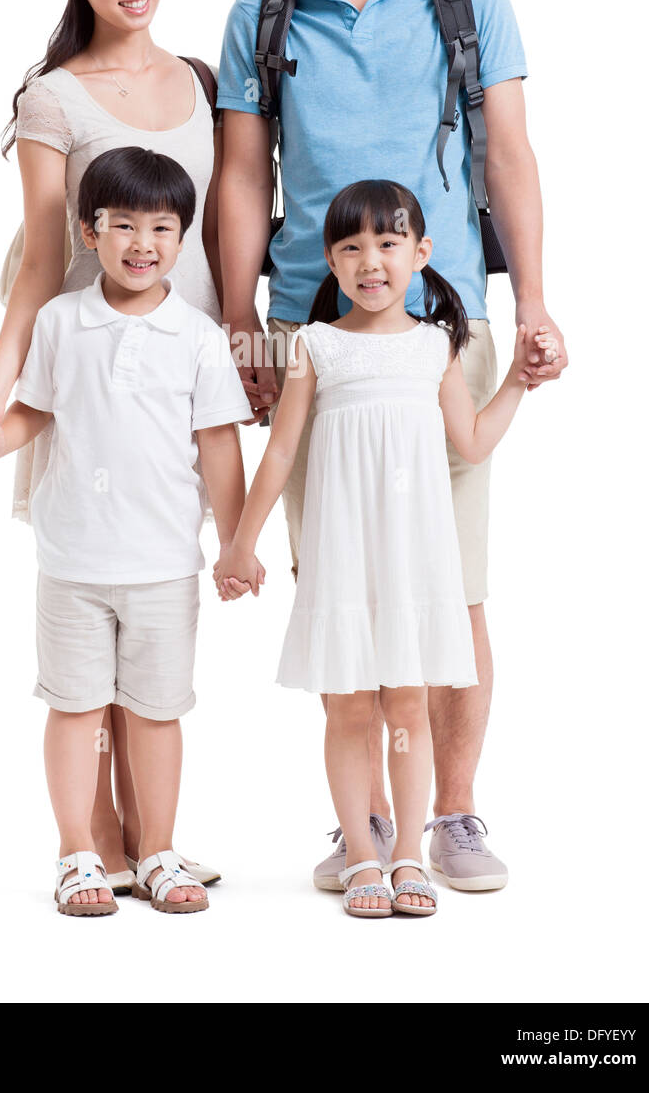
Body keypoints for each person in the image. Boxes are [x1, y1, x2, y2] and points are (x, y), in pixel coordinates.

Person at [216, 0, 568, 891]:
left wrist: (537, 299)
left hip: (443, 327)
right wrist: (242, 323)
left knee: (448, 588)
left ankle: (450, 816)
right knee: (340, 587)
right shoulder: (260, 10)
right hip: (308, 335)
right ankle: (361, 824)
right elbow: (237, 175)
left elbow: (507, 154)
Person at [0, 0, 235, 890]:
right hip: (84, 367)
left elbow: (232, 219)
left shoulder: (202, 80)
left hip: (182, 366)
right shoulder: (51, 94)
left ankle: (140, 840)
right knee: (91, 600)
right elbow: (38, 258)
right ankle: (98, 844)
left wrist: (242, 337)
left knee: (155, 589)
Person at [215, 180, 549, 915]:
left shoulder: (436, 347)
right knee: (348, 708)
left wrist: (519, 383)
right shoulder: (316, 346)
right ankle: (361, 853)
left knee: (407, 704)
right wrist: (240, 544)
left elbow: (473, 441)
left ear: (423, 254)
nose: (372, 261)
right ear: (329, 265)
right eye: (351, 248)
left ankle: (408, 855)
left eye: (389, 243)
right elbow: (278, 456)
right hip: (343, 556)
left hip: (413, 558)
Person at [0, 147, 256, 914]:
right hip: (73, 560)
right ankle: (79, 854)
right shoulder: (60, 321)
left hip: (163, 562)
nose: (141, 243)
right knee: (74, 707)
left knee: (158, 711)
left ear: (183, 240)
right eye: (122, 225)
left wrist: (235, 544)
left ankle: (156, 849)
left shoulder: (196, 335)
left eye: (161, 227)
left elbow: (219, 443)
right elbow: (36, 410)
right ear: (89, 234)